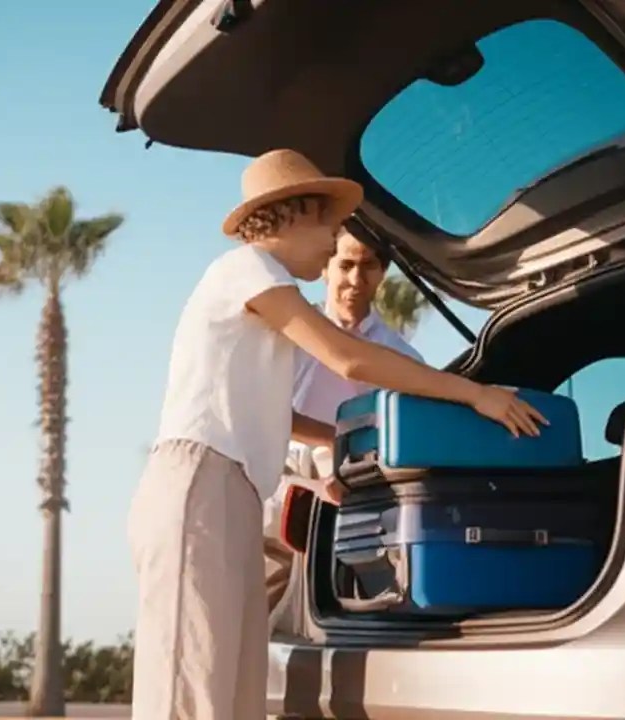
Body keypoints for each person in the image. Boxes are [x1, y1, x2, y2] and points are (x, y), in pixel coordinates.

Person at [127, 148, 547, 720]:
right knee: (192, 692)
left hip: (235, 492)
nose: (333, 242)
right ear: (292, 214)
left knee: (235, 693)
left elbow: (276, 413)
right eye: (328, 225)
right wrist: (476, 394)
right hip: (200, 486)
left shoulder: (264, 295)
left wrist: (343, 450)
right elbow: (347, 359)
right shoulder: (247, 270)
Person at [262, 228, 423, 635]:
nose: (355, 278)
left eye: (368, 265)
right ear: (325, 268)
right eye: (346, 264)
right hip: (284, 502)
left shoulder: (402, 357)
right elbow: (264, 418)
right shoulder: (290, 342)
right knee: (260, 634)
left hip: (370, 508)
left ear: (382, 273)